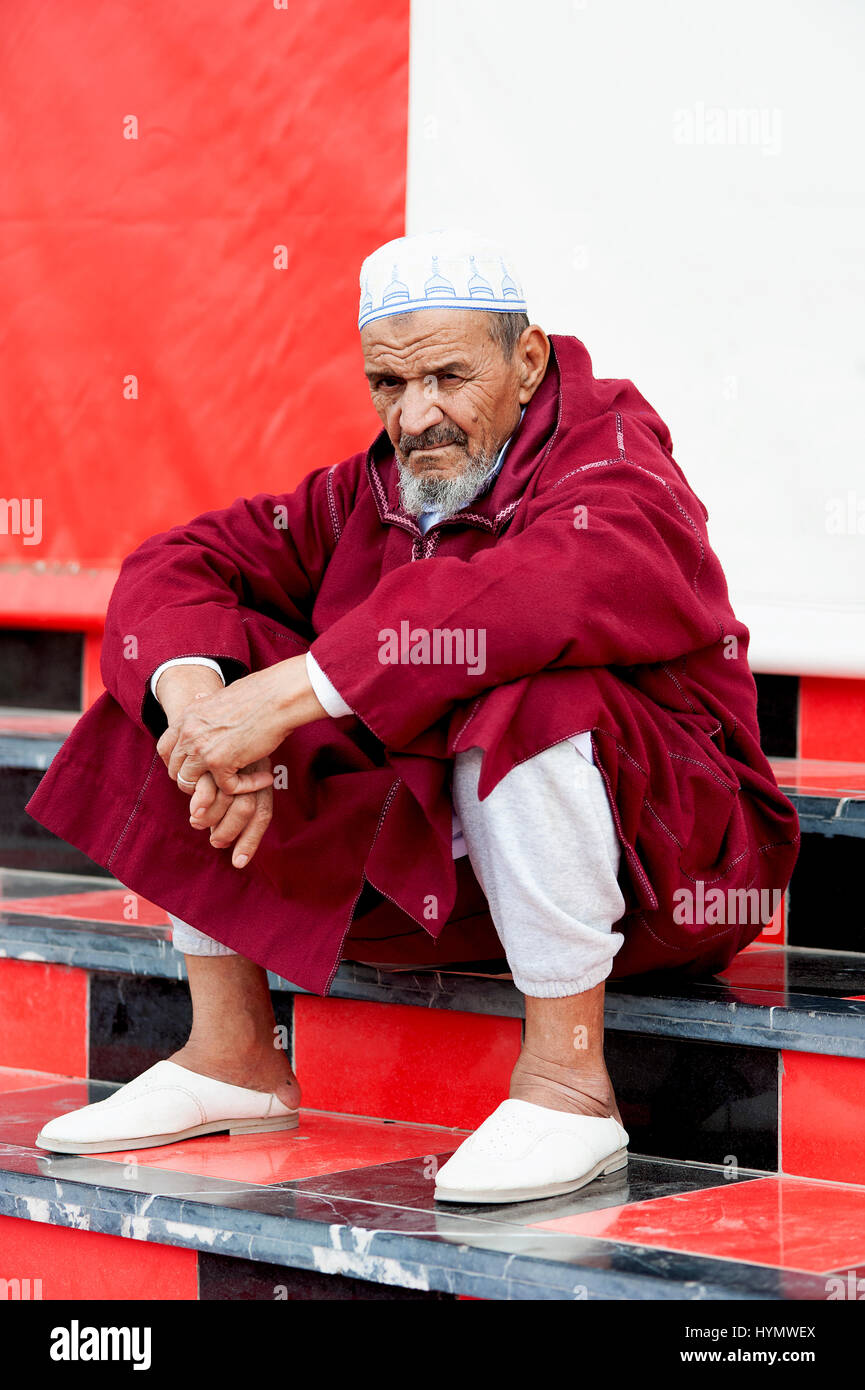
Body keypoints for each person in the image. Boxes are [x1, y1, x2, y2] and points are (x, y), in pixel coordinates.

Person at [27, 227, 799, 1203]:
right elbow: (176, 560)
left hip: (675, 866)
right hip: (469, 874)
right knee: (188, 677)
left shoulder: (614, 455)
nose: (416, 414)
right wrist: (207, 701)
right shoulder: (379, 484)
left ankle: (567, 1084)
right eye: (389, 385)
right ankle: (233, 1056)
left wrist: (295, 689)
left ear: (526, 360)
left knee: (519, 685)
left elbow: (538, 593)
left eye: (445, 375)